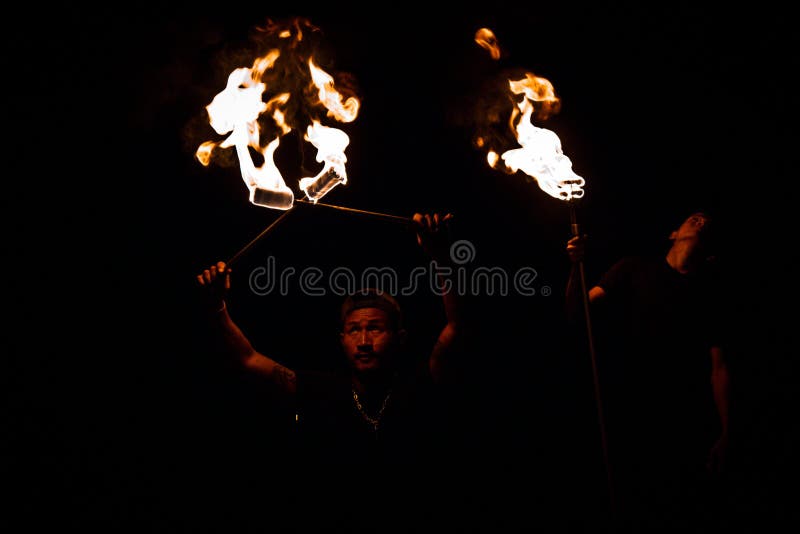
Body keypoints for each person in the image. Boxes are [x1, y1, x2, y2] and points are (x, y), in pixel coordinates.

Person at [195, 212, 464, 529]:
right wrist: (216, 307)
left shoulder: (420, 385)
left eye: (375, 329)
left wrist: (442, 258)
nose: (363, 341)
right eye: (354, 330)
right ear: (342, 339)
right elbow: (249, 359)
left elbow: (459, 327)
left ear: (399, 337)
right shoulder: (321, 392)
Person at [565, 211, 731, 533]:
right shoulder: (632, 269)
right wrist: (576, 266)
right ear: (673, 233)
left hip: (685, 428)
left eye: (706, 220)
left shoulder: (709, 296)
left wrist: (727, 433)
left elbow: (719, 367)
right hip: (630, 416)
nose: (700, 219)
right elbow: (578, 313)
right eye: (693, 217)